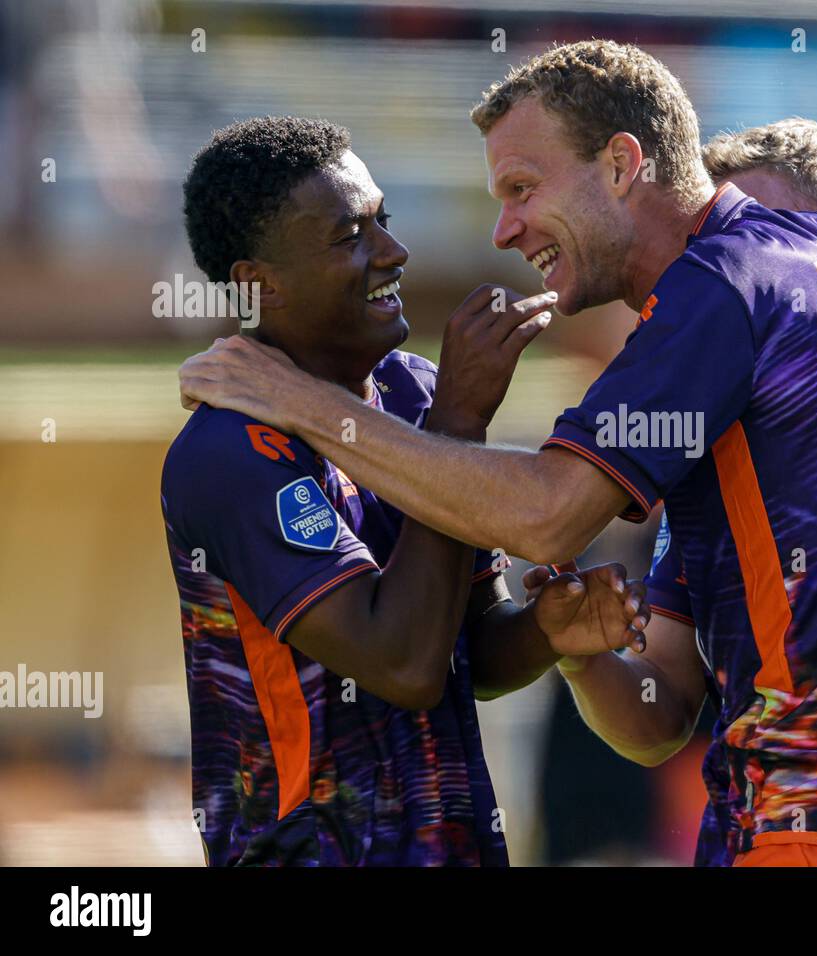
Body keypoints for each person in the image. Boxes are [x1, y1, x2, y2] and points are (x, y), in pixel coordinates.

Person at [174, 42, 817, 864]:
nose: (504, 227)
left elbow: (542, 517)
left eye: (523, 187)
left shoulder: (720, 292)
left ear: (621, 165)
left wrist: (314, 404)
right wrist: (571, 643)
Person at [164, 115, 647, 866]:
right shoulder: (229, 454)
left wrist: (545, 632)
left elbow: (465, 651)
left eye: (382, 220)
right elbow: (403, 666)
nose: (393, 251)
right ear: (260, 285)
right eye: (349, 236)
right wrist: (459, 422)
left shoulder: (413, 391)